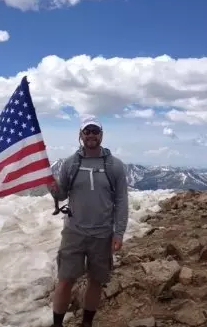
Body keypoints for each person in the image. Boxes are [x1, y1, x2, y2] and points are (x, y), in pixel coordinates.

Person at [48, 116, 129, 327]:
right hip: (74, 232)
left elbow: (121, 202)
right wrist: (51, 185)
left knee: (96, 280)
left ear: (101, 134)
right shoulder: (70, 163)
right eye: (87, 131)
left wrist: (118, 233)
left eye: (95, 130)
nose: (91, 134)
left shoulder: (115, 166)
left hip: (102, 234)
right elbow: (62, 194)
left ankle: (87, 323)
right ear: (80, 135)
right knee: (65, 280)